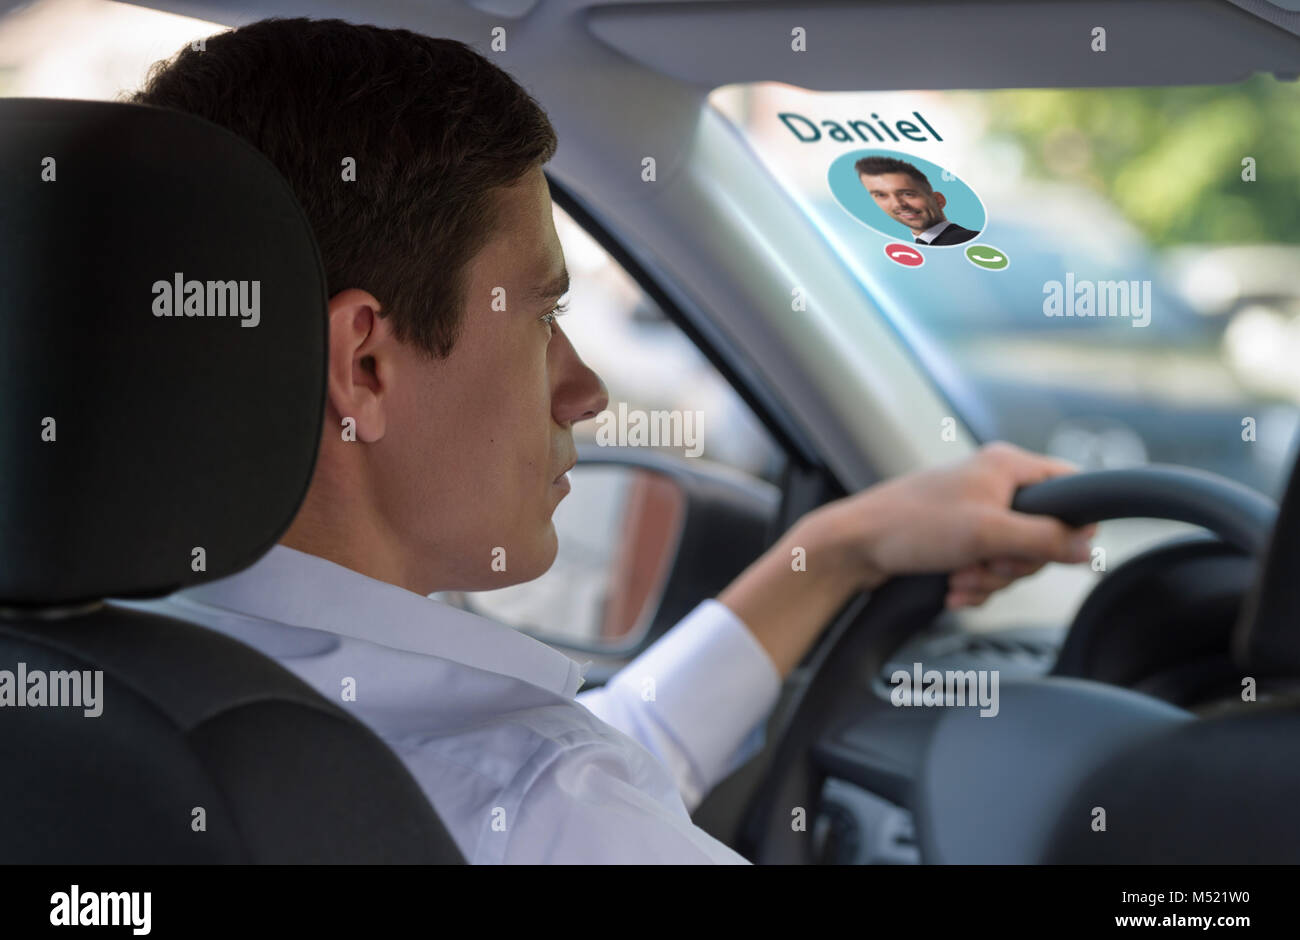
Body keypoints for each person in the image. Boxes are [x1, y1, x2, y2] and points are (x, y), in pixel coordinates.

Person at [119, 18, 1093, 863]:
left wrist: (835, 552)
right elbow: (548, 793)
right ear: (364, 366)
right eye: (540, 314)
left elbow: (566, 770)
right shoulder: (538, 799)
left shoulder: (102, 670)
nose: (583, 388)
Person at [855, 155, 981, 245]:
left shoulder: (971, 242)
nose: (898, 204)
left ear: (938, 200)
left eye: (907, 194)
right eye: (881, 195)